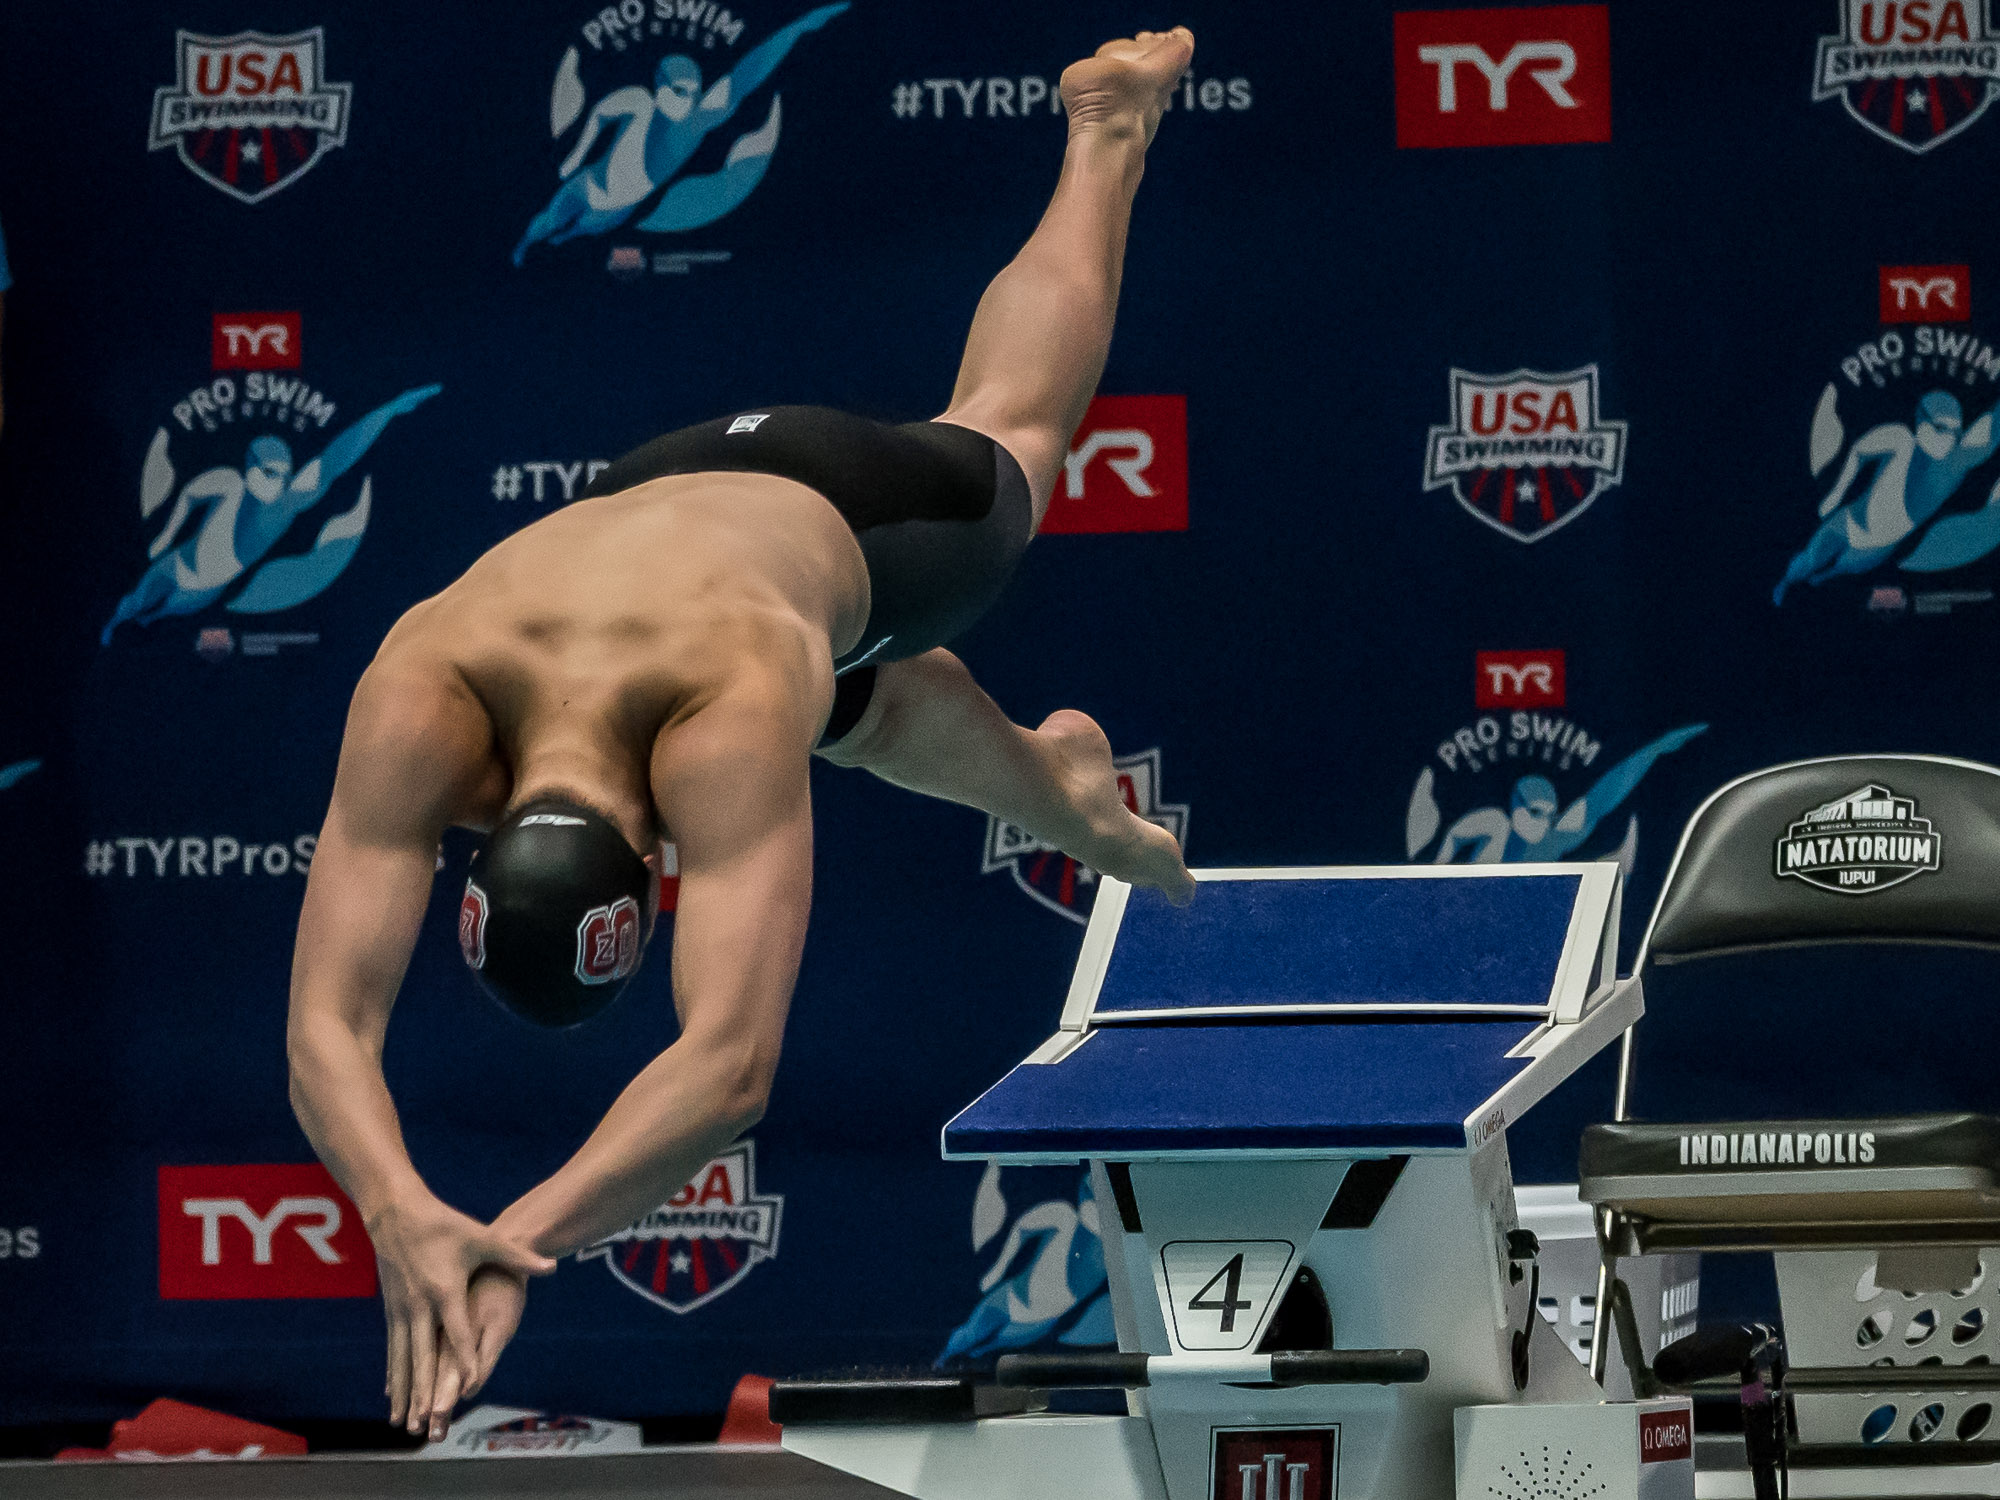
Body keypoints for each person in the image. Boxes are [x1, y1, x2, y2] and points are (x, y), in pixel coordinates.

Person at [288, 28, 1198, 1442]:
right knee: (863, 704)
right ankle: (1060, 787)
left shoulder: (705, 718)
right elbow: (326, 1029)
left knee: (1007, 429)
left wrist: (513, 1238)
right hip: (656, 491)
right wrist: (401, 1211)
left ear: (655, 864)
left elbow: (728, 1070)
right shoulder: (425, 684)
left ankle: (1106, 138)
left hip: (845, 506)